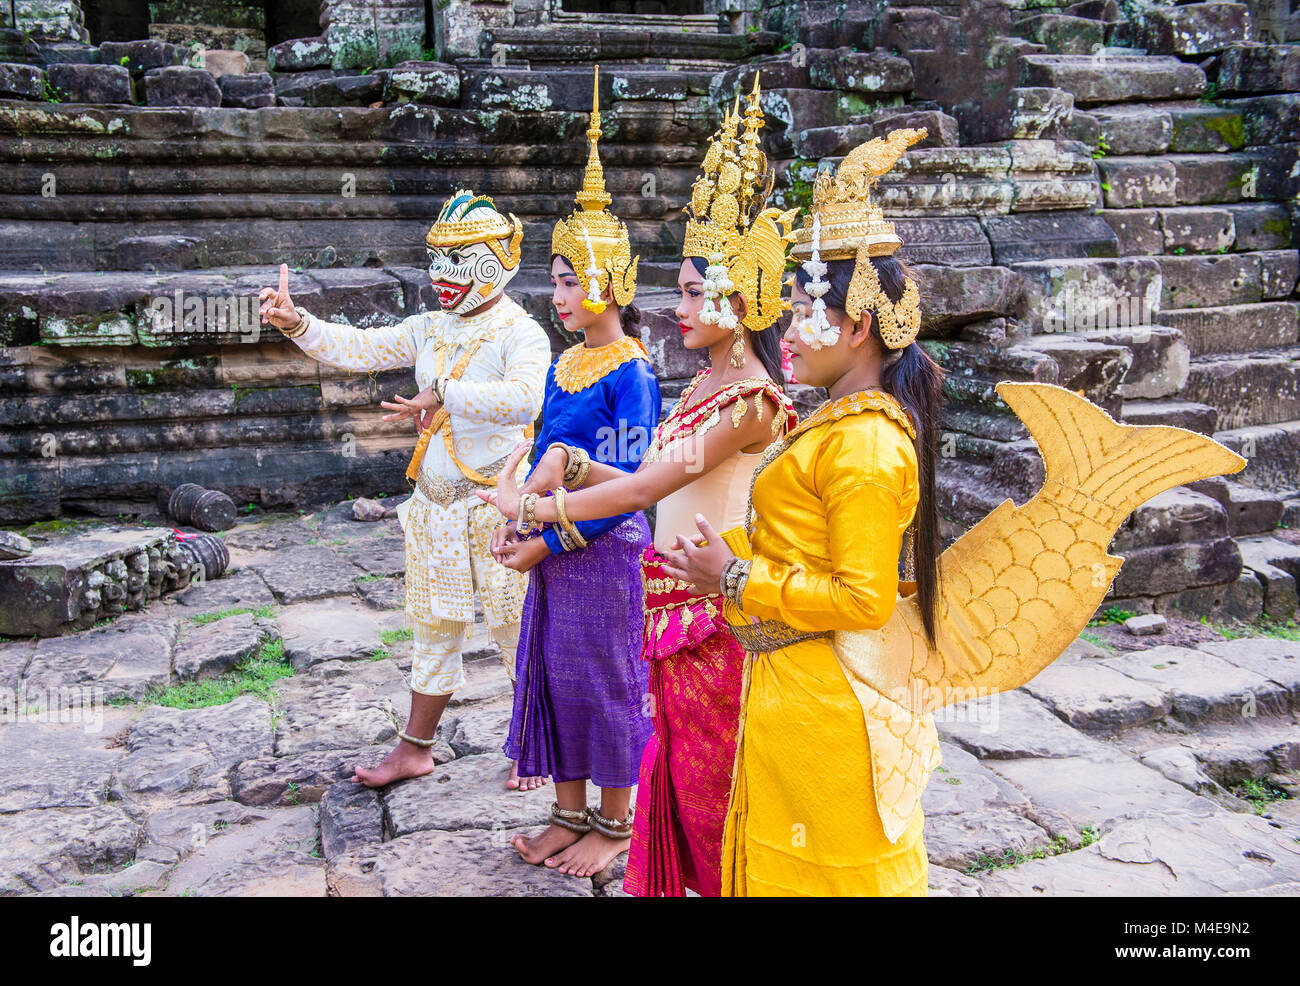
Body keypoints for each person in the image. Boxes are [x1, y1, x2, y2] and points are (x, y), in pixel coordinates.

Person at [658, 128, 1250, 896]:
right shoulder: (834, 422)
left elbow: (864, 601)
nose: (786, 325)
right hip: (789, 687)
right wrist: (723, 561)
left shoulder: (867, 446)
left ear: (858, 324)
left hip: (828, 702)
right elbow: (808, 547)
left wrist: (735, 575)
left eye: (804, 307)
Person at [486, 75, 799, 896]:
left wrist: (539, 509)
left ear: (745, 293)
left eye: (696, 291)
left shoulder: (753, 403)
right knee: (671, 767)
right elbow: (613, 468)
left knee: (703, 782)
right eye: (684, 289)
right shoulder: (702, 386)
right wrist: (553, 470)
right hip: (670, 597)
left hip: (714, 607)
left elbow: (639, 490)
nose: (680, 305)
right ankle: (594, 824)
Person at [258, 189, 552, 792]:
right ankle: (415, 747)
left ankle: (532, 742)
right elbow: (364, 348)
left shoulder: (522, 333)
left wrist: (444, 392)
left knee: (514, 624)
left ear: (497, 260)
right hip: (436, 504)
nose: (444, 275)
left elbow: (526, 398)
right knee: (433, 625)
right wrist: (300, 323)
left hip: (495, 505)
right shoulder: (432, 328)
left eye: (460, 259)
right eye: (438, 258)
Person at [489, 69, 662, 878]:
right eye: (553, 277)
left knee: (604, 682)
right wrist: (514, 508)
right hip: (552, 540)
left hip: (604, 545)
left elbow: (624, 481)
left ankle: (617, 823)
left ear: (606, 280)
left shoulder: (634, 373)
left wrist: (549, 535)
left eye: (567, 278)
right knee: (555, 676)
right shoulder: (566, 364)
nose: (556, 292)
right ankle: (566, 809)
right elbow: (543, 443)